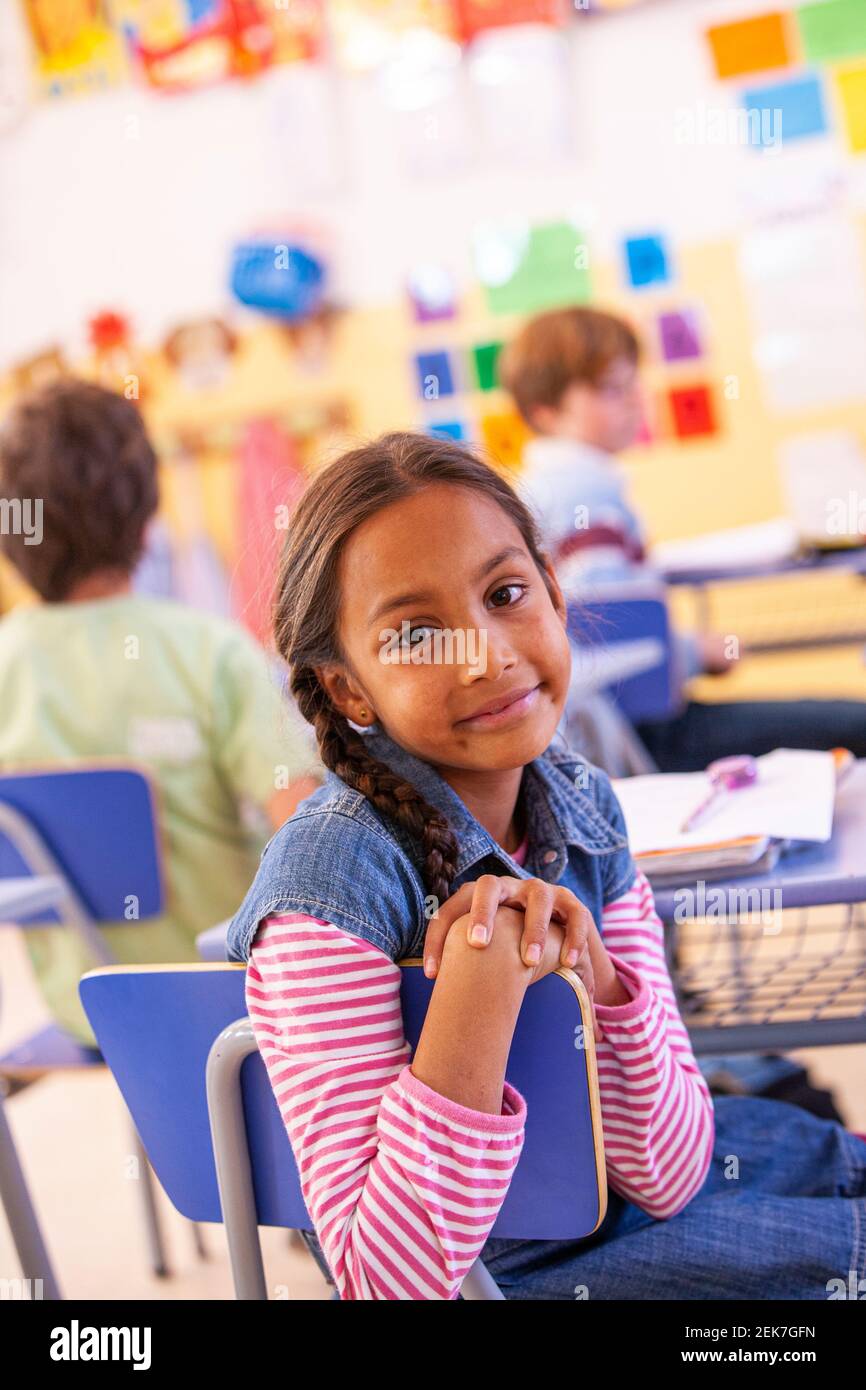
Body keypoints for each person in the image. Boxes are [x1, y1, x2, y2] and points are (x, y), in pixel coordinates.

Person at [225, 431, 866, 1300]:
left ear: (555, 593)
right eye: (416, 635)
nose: (486, 654)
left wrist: (595, 979)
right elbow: (385, 1284)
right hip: (515, 1273)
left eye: (506, 592)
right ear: (347, 689)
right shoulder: (331, 889)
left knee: (835, 1158)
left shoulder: (582, 802)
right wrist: (476, 999)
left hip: (634, 1208)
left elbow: (671, 1175)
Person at [0, 379, 322, 1045]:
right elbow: (305, 824)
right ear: (147, 511)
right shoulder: (209, 650)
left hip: (85, 1003)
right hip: (226, 990)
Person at [499, 306, 866, 773]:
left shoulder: (553, 483)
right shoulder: (584, 489)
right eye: (612, 388)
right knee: (857, 724)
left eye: (634, 381)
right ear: (544, 410)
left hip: (630, 721)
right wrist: (697, 651)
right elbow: (609, 631)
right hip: (649, 730)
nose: (635, 398)